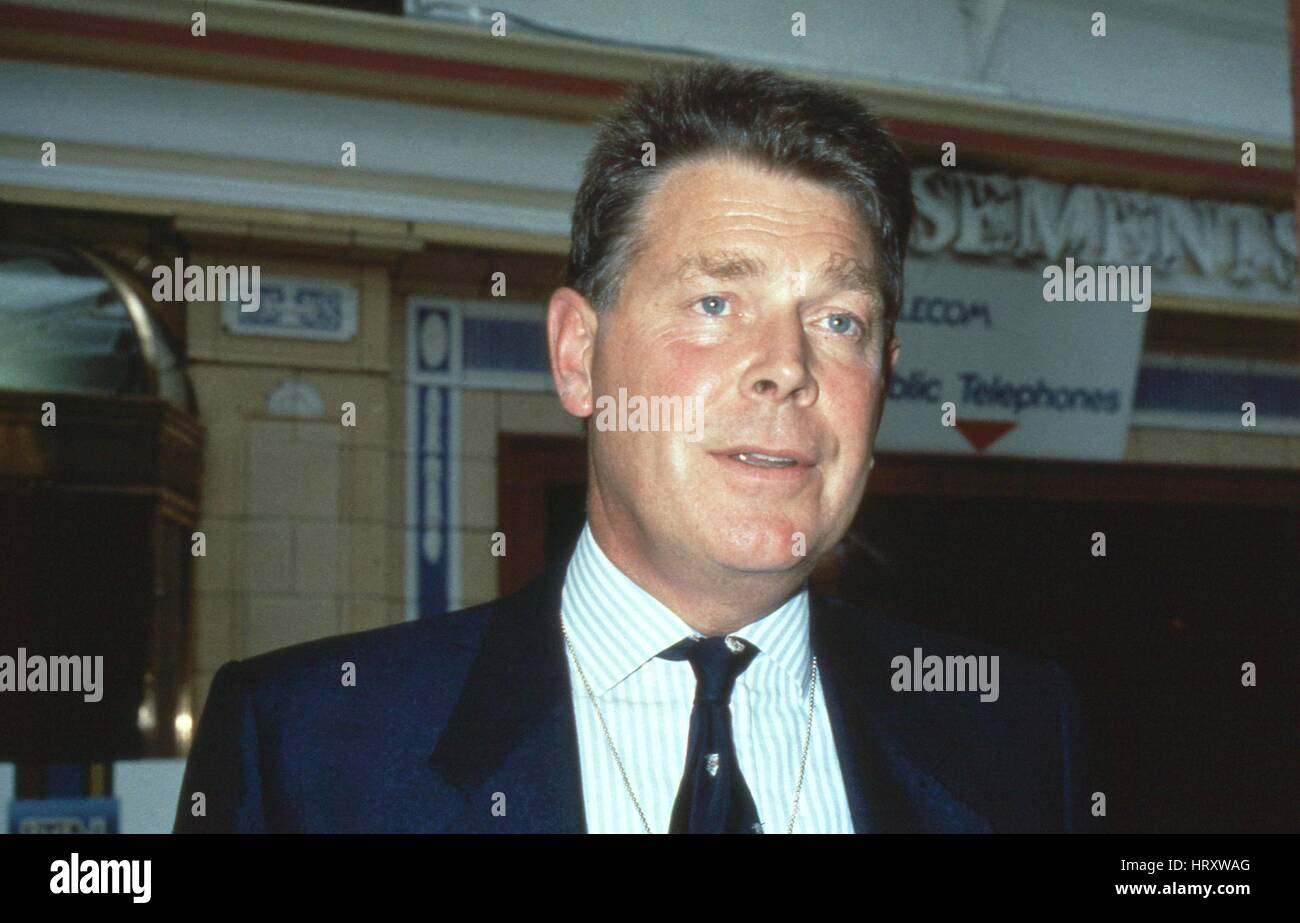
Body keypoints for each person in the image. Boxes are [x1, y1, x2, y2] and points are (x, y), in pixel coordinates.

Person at [175, 61, 1086, 834]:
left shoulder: (1013, 732)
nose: (787, 367)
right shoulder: (308, 746)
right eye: (715, 303)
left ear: (883, 380)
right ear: (579, 356)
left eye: (839, 320)